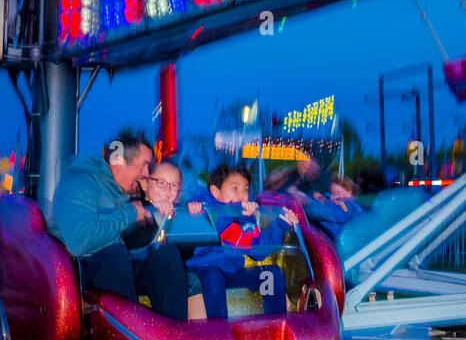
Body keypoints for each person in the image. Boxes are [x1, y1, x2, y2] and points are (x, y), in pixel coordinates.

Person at [50, 132, 188, 320]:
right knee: (114, 254)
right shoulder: (80, 182)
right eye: (144, 165)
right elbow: (80, 242)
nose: (146, 175)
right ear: (118, 161)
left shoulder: (123, 194)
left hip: (118, 265)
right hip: (81, 269)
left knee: (166, 255)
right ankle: (130, 339)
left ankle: (172, 339)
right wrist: (130, 213)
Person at [186, 165, 299, 320]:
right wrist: (234, 212)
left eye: (245, 190)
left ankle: (277, 326)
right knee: (214, 277)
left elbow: (257, 252)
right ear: (215, 192)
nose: (241, 194)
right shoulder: (205, 206)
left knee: (271, 275)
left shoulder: (245, 216)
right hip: (205, 269)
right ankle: (219, 334)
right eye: (235, 188)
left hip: (232, 272)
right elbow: (221, 228)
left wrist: (281, 224)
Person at [123, 160, 207, 319]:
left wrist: (192, 222)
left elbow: (186, 254)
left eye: (174, 186)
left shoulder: (177, 212)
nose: (168, 190)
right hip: (136, 274)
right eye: (161, 183)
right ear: (145, 184)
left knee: (195, 278)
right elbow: (139, 246)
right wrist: (156, 218)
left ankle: (201, 337)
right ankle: (174, 334)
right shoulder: (134, 208)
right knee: (169, 255)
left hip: (166, 274)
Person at [299, 175, 364, 242]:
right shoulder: (337, 199)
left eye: (338, 193)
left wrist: (306, 202)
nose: (333, 197)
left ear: (349, 192)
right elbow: (327, 197)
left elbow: (333, 213)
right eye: (332, 193)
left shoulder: (348, 205)